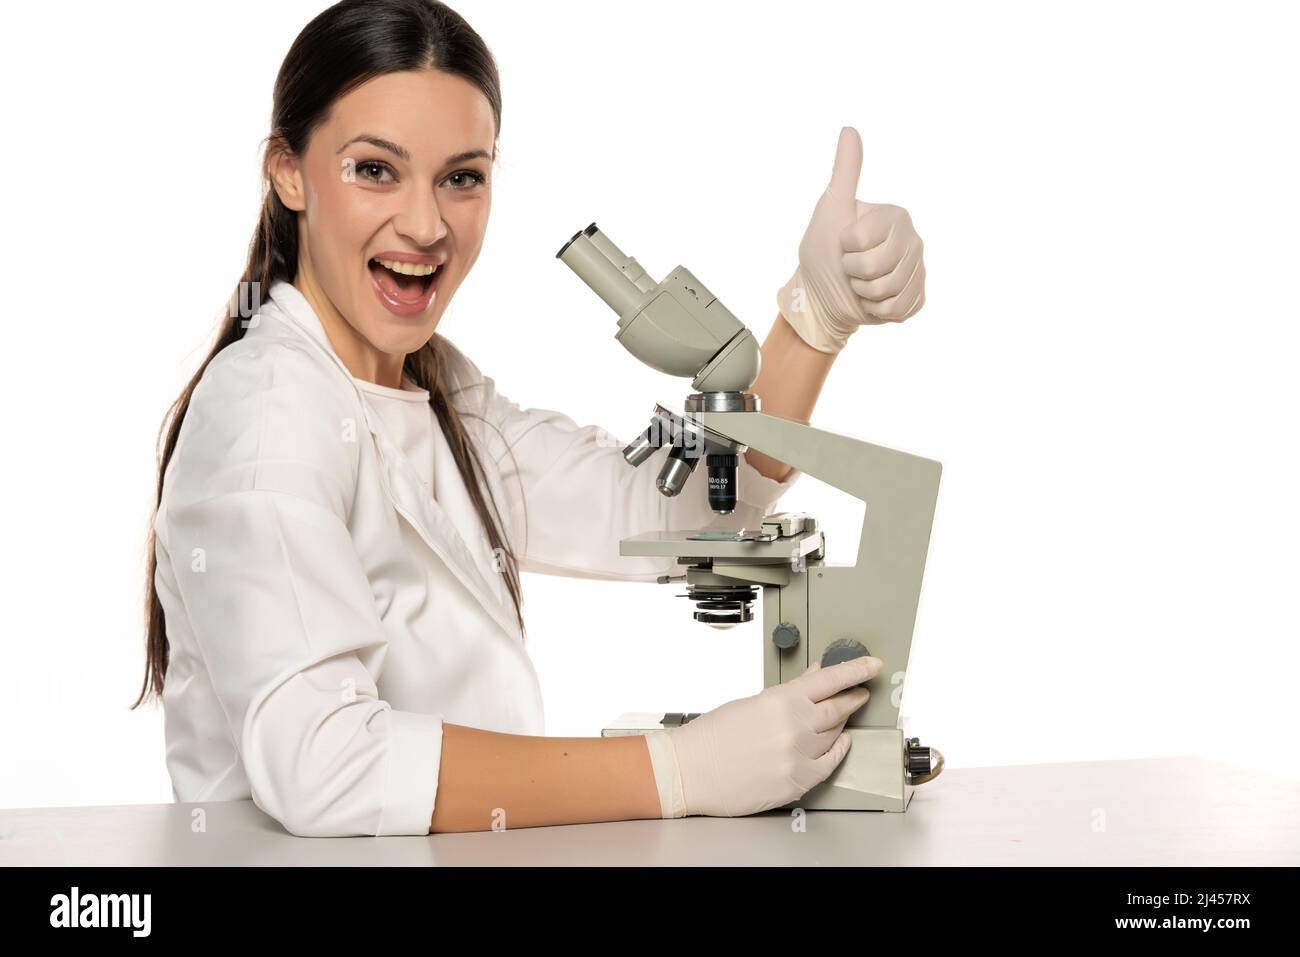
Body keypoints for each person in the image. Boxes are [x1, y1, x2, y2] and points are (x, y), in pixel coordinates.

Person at [132, 0, 927, 837]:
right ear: (288, 172)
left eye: (462, 176)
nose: (427, 224)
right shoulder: (264, 417)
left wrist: (815, 316)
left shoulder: (440, 394)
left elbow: (686, 513)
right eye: (375, 169)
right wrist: (678, 769)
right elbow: (328, 769)